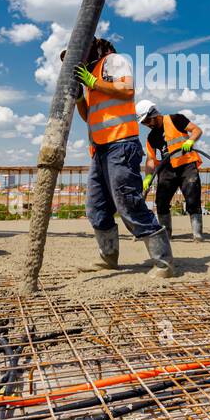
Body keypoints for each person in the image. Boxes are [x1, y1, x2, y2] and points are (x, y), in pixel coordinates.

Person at [67, 37, 178, 278]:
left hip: (121, 144)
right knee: (95, 208)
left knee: (128, 203)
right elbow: (88, 116)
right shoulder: (92, 78)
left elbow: (127, 90)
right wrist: (79, 97)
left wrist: (93, 82)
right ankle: (108, 258)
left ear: (95, 49)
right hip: (100, 149)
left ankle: (163, 263)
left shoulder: (112, 61)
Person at [136, 100, 205, 241]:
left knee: (192, 198)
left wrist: (190, 141)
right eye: (143, 123)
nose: (147, 125)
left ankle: (197, 234)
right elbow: (150, 159)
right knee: (161, 201)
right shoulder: (151, 137)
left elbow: (197, 130)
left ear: (154, 114)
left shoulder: (176, 119)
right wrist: (148, 177)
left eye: (147, 121)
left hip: (186, 165)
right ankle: (166, 234)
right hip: (167, 169)